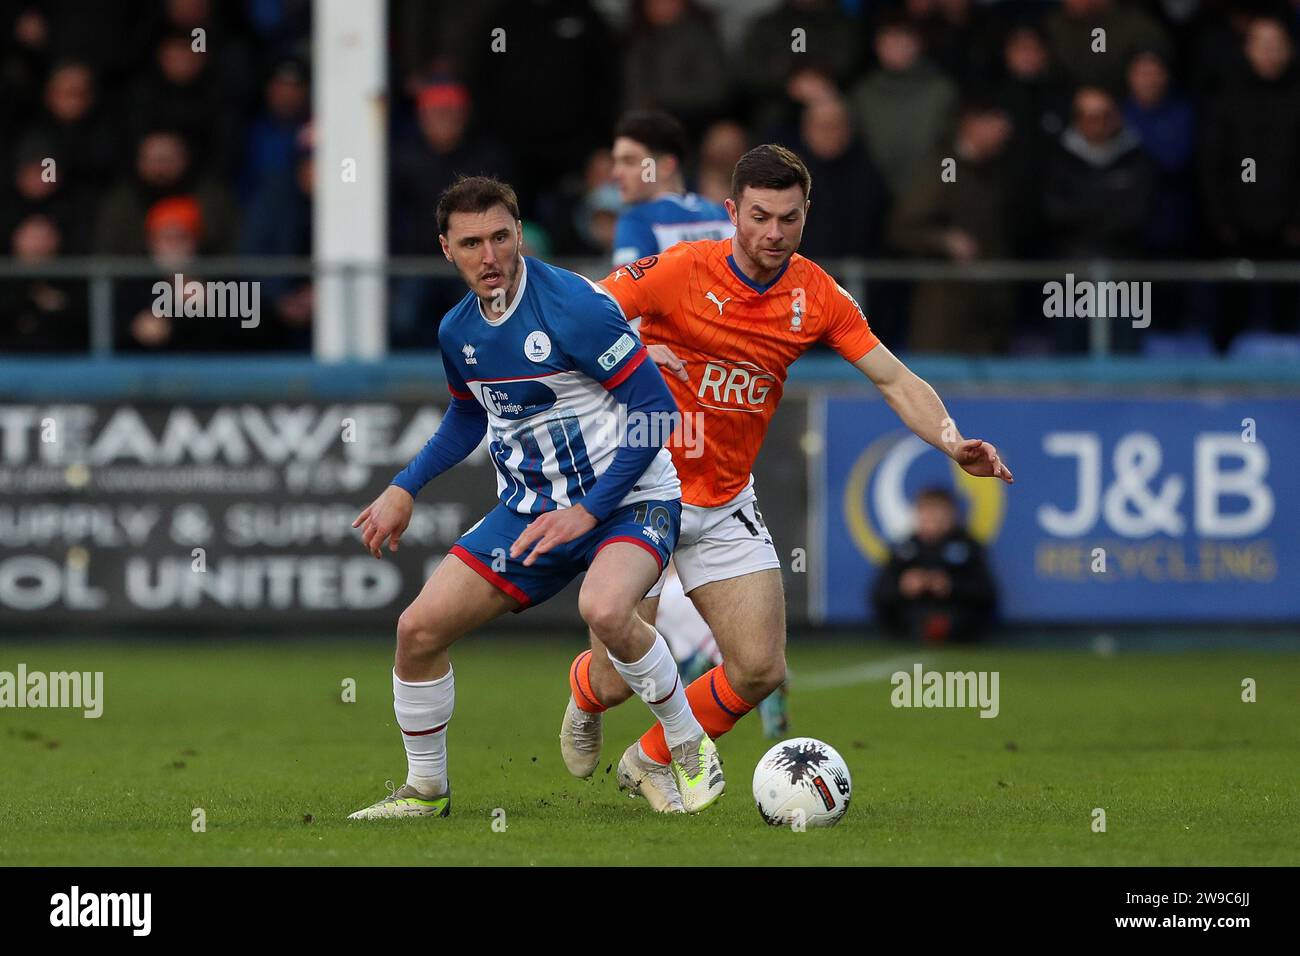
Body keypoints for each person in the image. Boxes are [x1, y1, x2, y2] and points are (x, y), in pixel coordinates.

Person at [559, 145, 1014, 812]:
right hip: (644, 492)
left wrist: (951, 440)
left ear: (806, 216)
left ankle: (653, 757)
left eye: (789, 219)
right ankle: (585, 693)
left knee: (759, 669)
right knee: (615, 676)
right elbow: (576, 319)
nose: (773, 233)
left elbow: (891, 378)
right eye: (760, 216)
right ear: (731, 212)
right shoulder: (679, 271)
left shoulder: (817, 294)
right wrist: (634, 349)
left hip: (724, 499)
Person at [347, 176, 724, 819]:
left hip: (631, 498)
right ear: (447, 249)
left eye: (500, 237)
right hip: (531, 512)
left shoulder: (574, 307)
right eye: (471, 243)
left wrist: (590, 509)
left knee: (605, 609)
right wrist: (404, 486)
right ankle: (426, 790)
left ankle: (688, 746)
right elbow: (469, 414)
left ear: (520, 234)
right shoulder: (458, 330)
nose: (488, 256)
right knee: (416, 630)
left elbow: (656, 411)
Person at [871, 486, 997, 644]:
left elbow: (987, 593)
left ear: (952, 515)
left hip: (958, 624)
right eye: (927, 513)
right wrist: (903, 586)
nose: (932, 520)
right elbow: (879, 594)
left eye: (939, 514)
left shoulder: (968, 546)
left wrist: (951, 586)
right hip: (908, 626)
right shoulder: (903, 547)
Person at [609, 110, 733, 266]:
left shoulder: (637, 221)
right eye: (616, 162)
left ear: (666, 166)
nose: (616, 173)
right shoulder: (726, 217)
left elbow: (622, 289)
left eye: (630, 161)